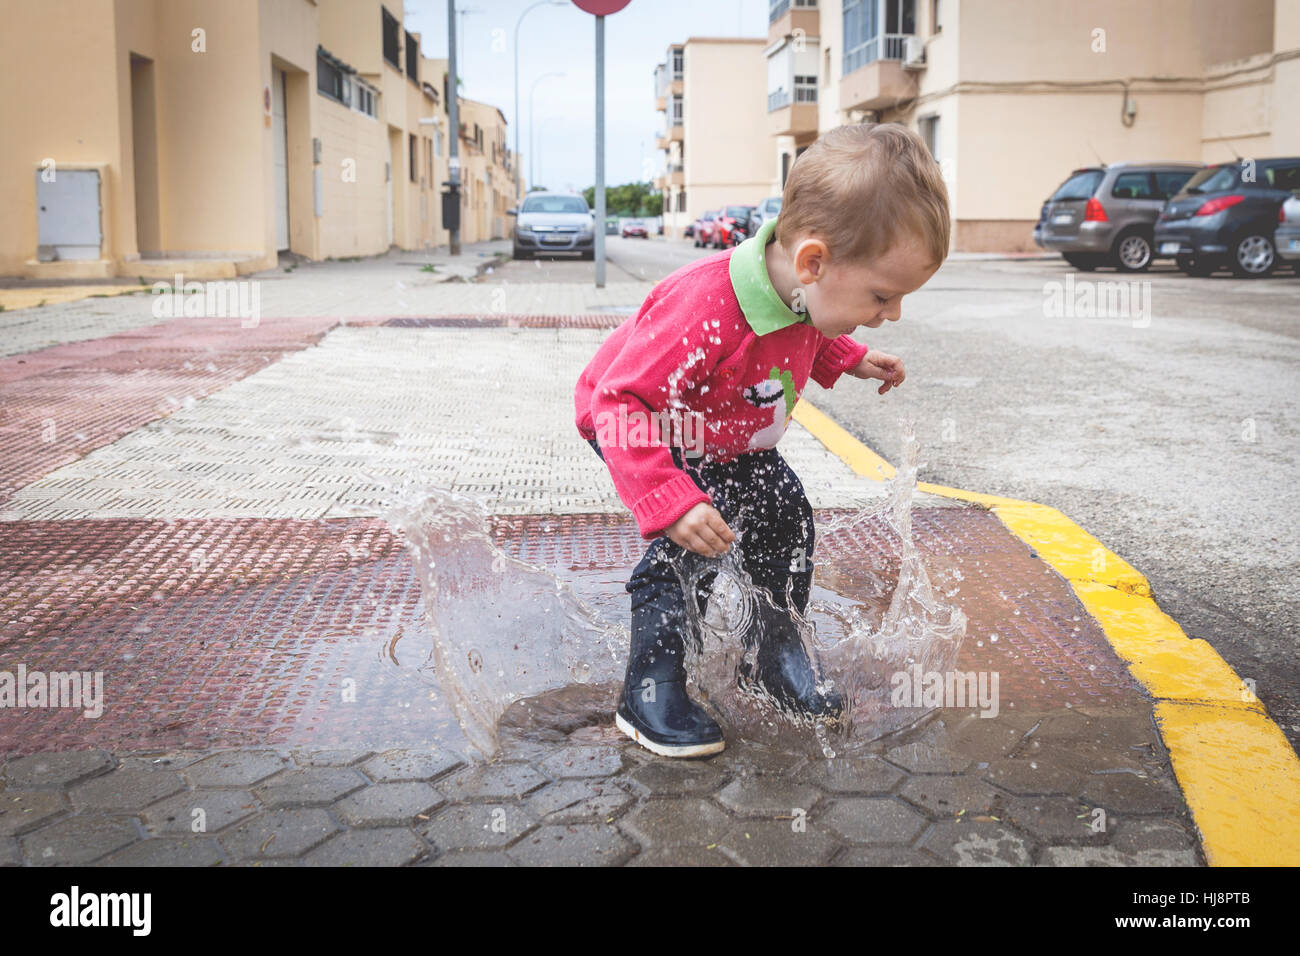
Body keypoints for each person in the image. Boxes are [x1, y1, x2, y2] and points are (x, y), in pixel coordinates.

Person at [573, 123, 951, 758]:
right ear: (812, 261)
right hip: (647, 424)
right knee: (692, 538)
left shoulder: (801, 287)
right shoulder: (704, 309)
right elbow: (619, 400)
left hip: (727, 434)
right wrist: (670, 498)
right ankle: (648, 690)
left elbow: (806, 326)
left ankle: (771, 655)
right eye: (882, 296)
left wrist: (850, 356)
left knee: (784, 516)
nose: (893, 311)